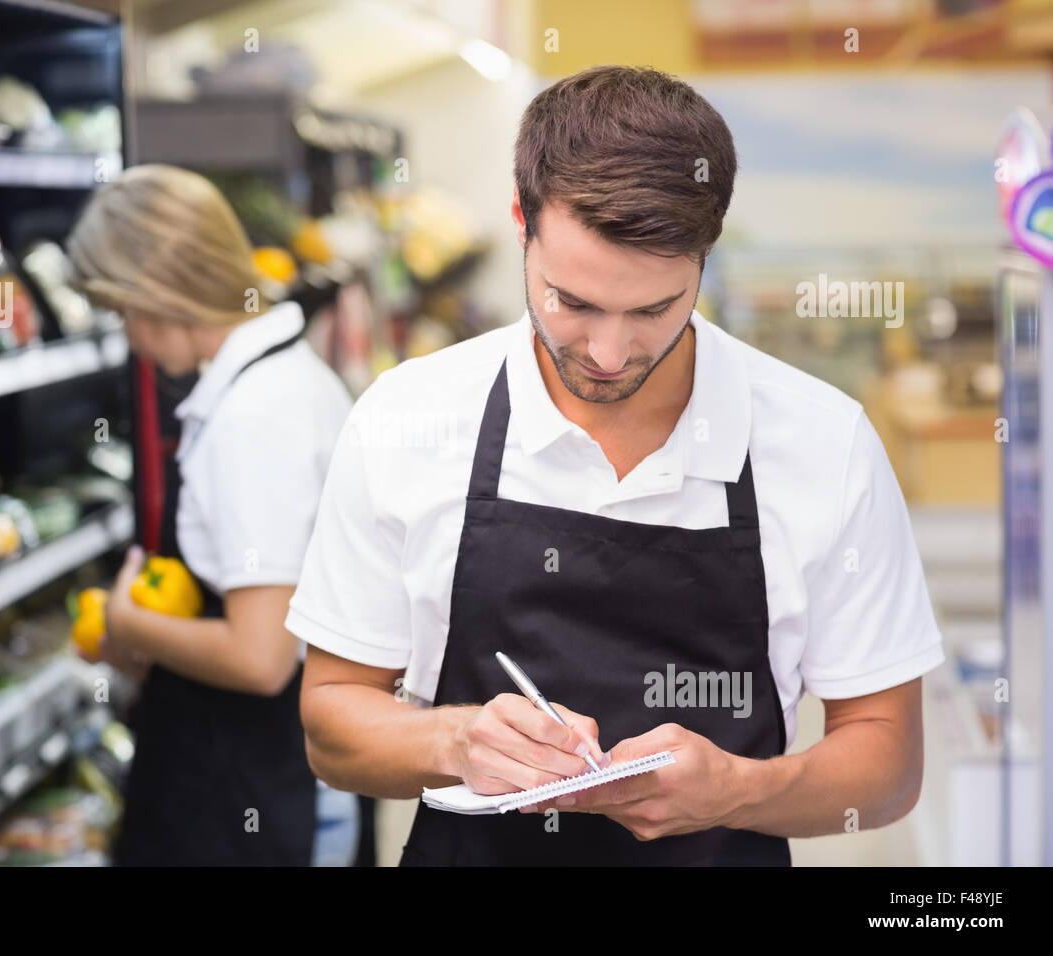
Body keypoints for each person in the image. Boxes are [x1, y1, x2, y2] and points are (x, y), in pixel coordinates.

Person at [288, 66, 944, 866]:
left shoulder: (823, 443)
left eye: (652, 310)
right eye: (572, 301)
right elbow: (330, 724)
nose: (606, 354)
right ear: (520, 223)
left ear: (706, 258)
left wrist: (738, 790)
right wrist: (456, 738)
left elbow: (887, 763)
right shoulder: (406, 419)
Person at [67, 164, 355, 865]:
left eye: (123, 311)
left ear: (157, 292)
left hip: (245, 789)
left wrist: (131, 623)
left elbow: (259, 659)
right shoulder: (286, 373)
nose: (129, 337)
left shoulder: (254, 417)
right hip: (270, 769)